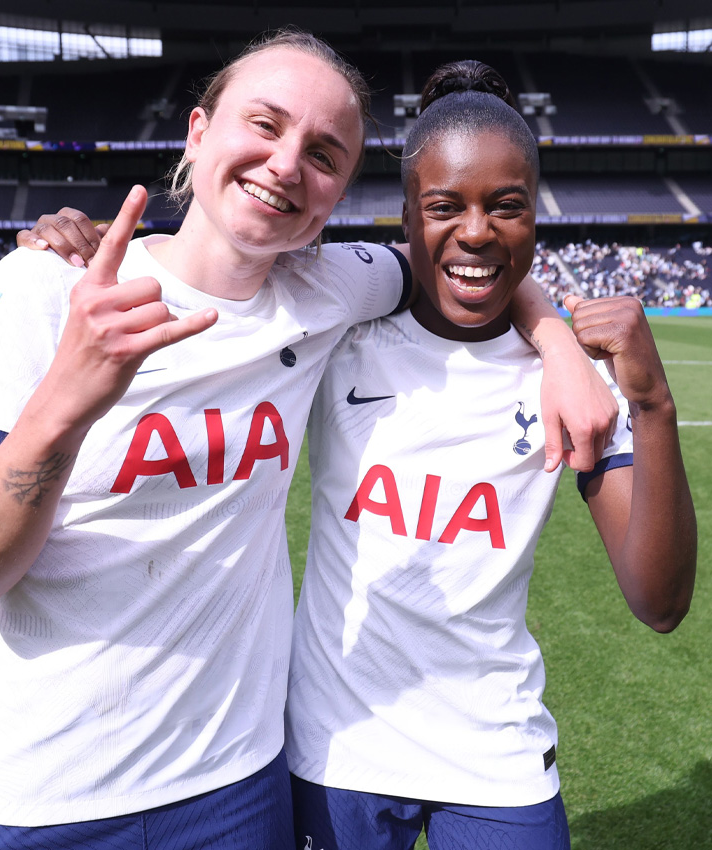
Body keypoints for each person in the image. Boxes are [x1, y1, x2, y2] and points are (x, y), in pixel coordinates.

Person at [0, 32, 616, 850]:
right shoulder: (48, 287)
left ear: (338, 194)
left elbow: (471, 254)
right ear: (198, 131)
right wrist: (63, 408)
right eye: (265, 124)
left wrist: (559, 345)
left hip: (237, 786)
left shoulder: (330, 287)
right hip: (38, 793)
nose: (287, 165)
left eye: (323, 155)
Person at [281, 61, 696, 849]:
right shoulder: (342, 331)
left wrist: (653, 407)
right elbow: (213, 274)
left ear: (535, 214)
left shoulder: (575, 380)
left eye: (507, 206)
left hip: (495, 754)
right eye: (445, 206)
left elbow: (660, 602)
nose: (476, 232)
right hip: (337, 746)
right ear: (408, 215)